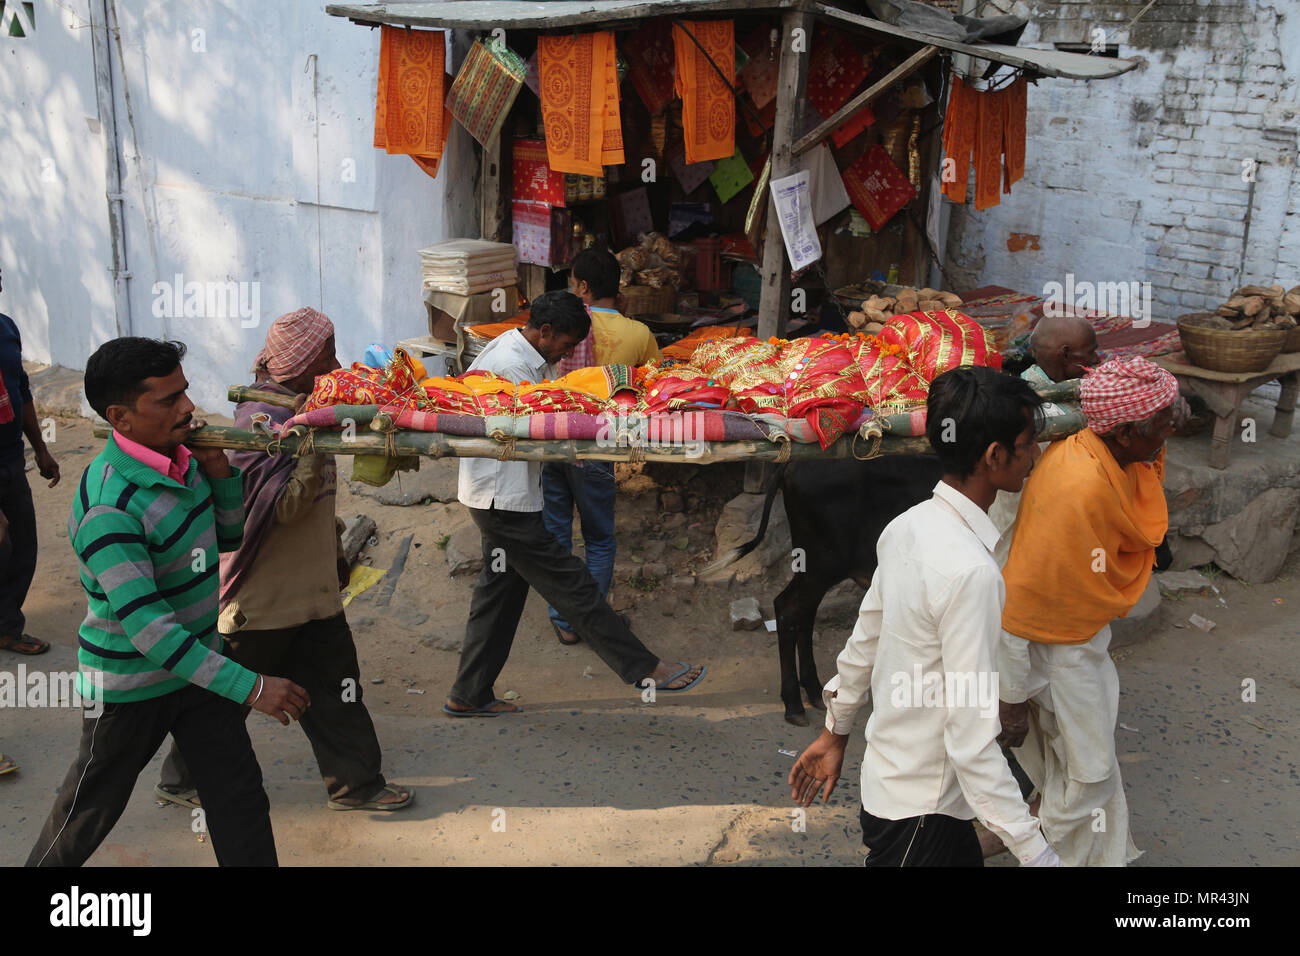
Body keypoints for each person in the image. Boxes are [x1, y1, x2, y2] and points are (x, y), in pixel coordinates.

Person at [26, 337, 309, 867]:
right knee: (88, 811)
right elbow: (151, 632)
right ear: (120, 416)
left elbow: (225, 541)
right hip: (130, 685)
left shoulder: (182, 460)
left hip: (198, 666)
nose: (188, 409)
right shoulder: (109, 508)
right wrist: (251, 687)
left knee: (238, 796)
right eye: (169, 400)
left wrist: (219, 471)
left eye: (185, 392)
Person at [789, 365, 1060, 867]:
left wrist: (835, 731)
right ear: (995, 456)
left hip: (901, 792)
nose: (1035, 455)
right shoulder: (972, 574)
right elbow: (973, 737)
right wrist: (1036, 851)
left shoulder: (908, 526)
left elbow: (863, 640)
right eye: (1027, 445)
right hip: (924, 812)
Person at [154, 309, 412, 812]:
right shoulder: (263, 421)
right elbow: (283, 509)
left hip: (312, 589)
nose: (335, 363)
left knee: (338, 690)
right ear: (299, 361)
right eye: (326, 355)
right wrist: (314, 448)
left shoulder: (301, 410)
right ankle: (182, 778)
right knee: (225, 694)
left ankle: (357, 784)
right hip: (264, 596)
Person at [445, 290, 705, 716]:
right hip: (503, 499)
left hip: (500, 494)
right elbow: (536, 424)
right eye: (565, 345)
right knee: (571, 583)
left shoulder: (519, 352)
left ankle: (468, 693)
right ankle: (646, 670)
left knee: (499, 596)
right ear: (544, 331)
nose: (566, 354)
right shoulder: (511, 365)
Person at [997, 356, 1185, 866]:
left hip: (1080, 646)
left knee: (1075, 766)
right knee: (1091, 772)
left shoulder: (1109, 452)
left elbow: (1144, 473)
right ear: (1125, 431)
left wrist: (1164, 413)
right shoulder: (1076, 486)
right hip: (1056, 657)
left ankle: (1082, 854)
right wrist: (1012, 698)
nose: (1172, 430)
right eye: (1162, 423)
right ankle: (1021, 844)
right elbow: (1022, 599)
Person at [545, 249, 661, 645]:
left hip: (551, 435)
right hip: (600, 443)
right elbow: (656, 389)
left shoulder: (564, 324)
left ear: (582, 287)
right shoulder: (639, 334)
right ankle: (591, 619)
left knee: (557, 529)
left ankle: (564, 618)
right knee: (599, 536)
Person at [0, 266, 61, 655]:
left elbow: (20, 391)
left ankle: (6, 627)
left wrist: (40, 448)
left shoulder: (6, 328)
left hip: (8, 458)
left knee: (22, 544)